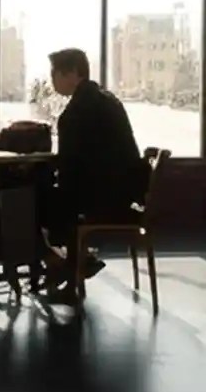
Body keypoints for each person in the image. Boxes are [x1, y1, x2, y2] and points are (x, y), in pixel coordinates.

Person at [42, 48, 146, 290]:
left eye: (55, 73)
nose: (52, 80)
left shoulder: (77, 112)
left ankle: (62, 262)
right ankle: (75, 260)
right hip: (123, 192)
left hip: (102, 198)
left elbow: (70, 168)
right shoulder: (107, 99)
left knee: (35, 200)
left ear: (72, 74)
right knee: (53, 198)